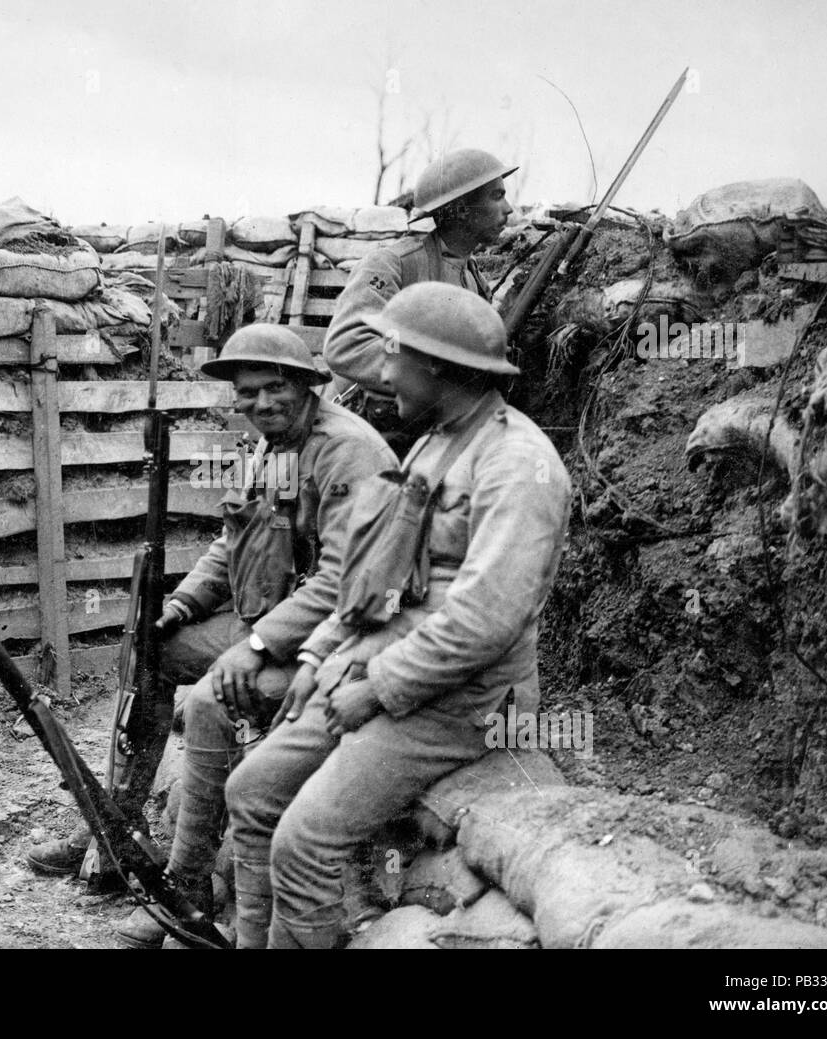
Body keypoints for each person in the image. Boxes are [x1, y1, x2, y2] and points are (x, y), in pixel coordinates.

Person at [224, 283, 572, 948]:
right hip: (381, 669)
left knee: (303, 841)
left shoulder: (518, 464)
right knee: (251, 788)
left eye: (394, 356)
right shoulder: (435, 445)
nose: (382, 373)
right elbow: (372, 574)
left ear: (438, 365)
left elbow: (484, 621)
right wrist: (316, 652)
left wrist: (375, 686)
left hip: (459, 701)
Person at [24, 324, 395, 947]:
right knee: (154, 653)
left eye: (273, 388)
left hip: (337, 640)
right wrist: (180, 604)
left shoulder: (347, 454)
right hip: (266, 620)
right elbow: (232, 545)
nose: (258, 404)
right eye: (246, 395)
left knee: (209, 705)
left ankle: (187, 881)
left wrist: (255, 646)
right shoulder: (269, 448)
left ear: (305, 384)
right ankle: (115, 826)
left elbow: (344, 583)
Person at [324, 149, 517, 455]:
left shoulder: (472, 276)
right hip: (368, 436)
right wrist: (430, 377)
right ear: (462, 209)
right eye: (497, 196)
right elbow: (348, 345)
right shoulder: (394, 264)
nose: (509, 209)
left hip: (429, 435)